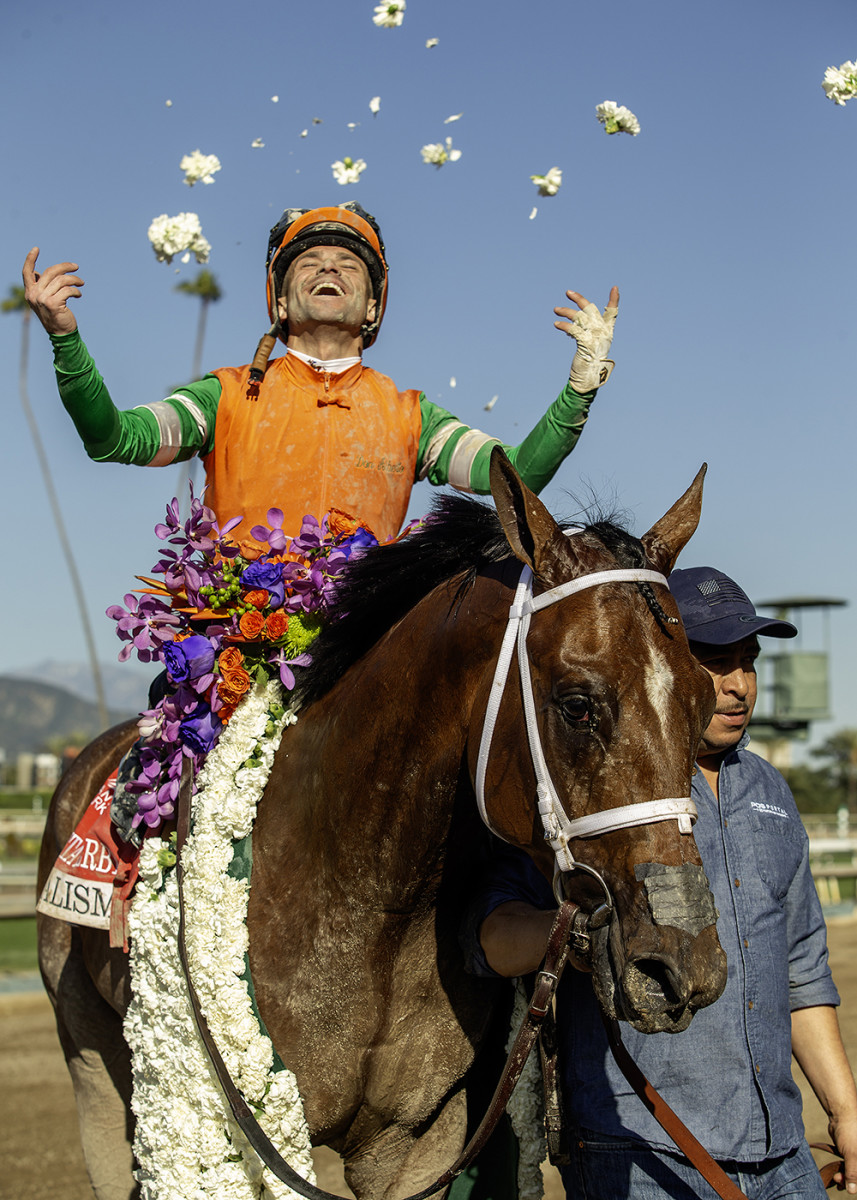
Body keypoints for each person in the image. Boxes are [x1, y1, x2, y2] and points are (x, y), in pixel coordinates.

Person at [465, 565, 857, 1199]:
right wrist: (574, 928)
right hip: (643, 1148)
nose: (738, 687)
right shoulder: (592, 791)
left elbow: (803, 966)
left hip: (781, 1151)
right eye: (715, 663)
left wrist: (845, 1112)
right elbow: (488, 939)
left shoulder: (771, 794)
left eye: (748, 663)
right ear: (664, 666)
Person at [22, 202, 620, 547]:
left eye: (347, 265)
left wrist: (580, 389)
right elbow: (113, 438)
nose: (328, 268)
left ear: (372, 308)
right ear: (279, 304)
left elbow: (514, 477)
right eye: (308, 262)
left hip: (370, 651)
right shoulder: (223, 396)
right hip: (238, 641)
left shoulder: (412, 415)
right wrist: (65, 340)